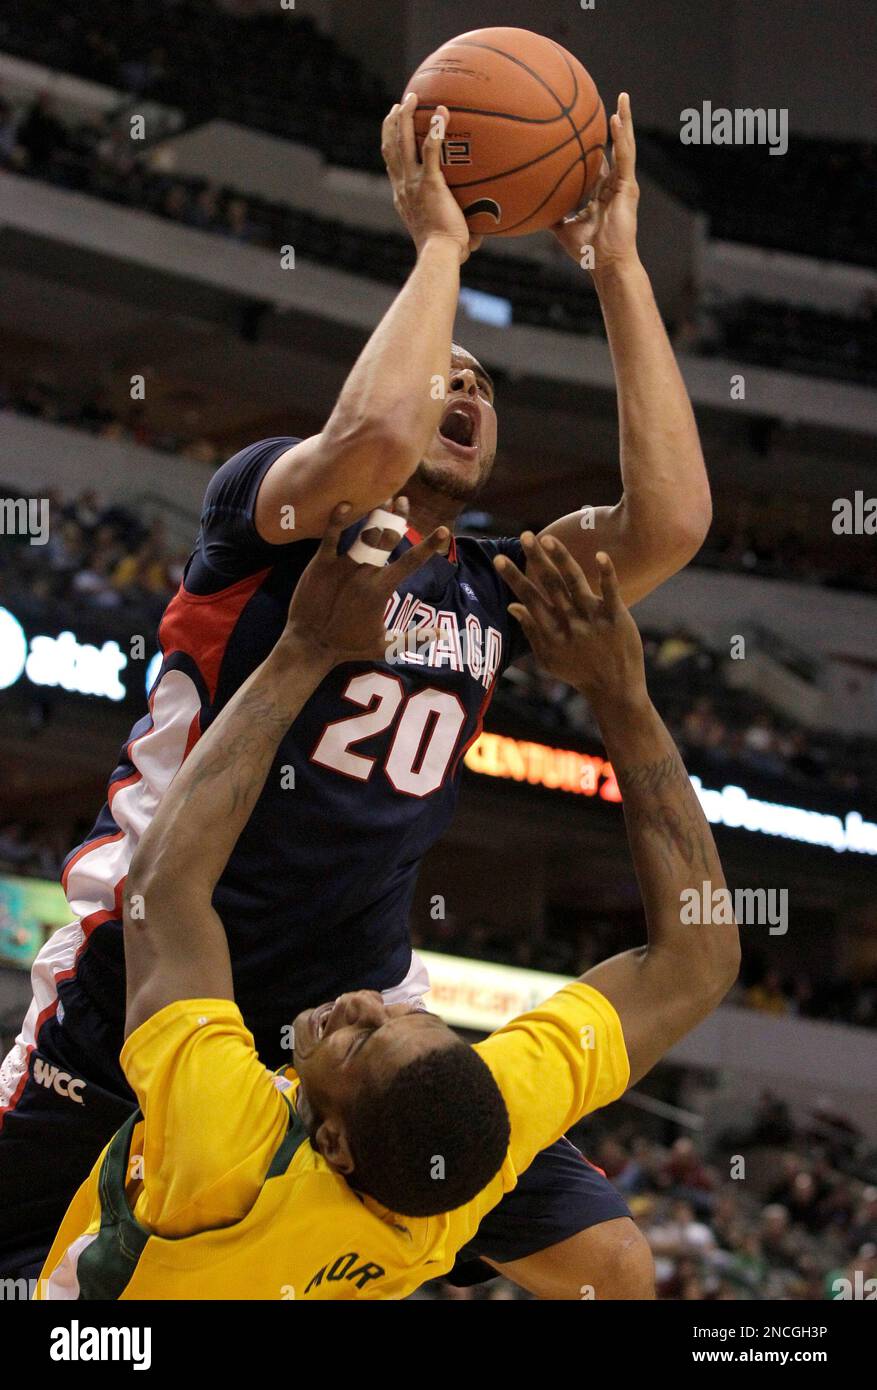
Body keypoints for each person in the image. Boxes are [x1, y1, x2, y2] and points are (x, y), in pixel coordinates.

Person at [2, 93, 711, 1297]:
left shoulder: (492, 588)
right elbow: (374, 438)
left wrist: (621, 269)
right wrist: (442, 244)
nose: (465, 393)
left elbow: (671, 522)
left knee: (610, 1264)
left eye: (486, 388)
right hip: (155, 957)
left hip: (363, 1011)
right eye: (445, 370)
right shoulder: (264, 513)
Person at [37, 522, 739, 1300]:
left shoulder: (223, 1153)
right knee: (615, 1265)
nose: (367, 1001)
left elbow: (161, 890)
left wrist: (305, 647)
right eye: (409, 1017)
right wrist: (624, 697)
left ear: (329, 1144)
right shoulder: (463, 1161)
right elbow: (696, 961)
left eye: (359, 1037)